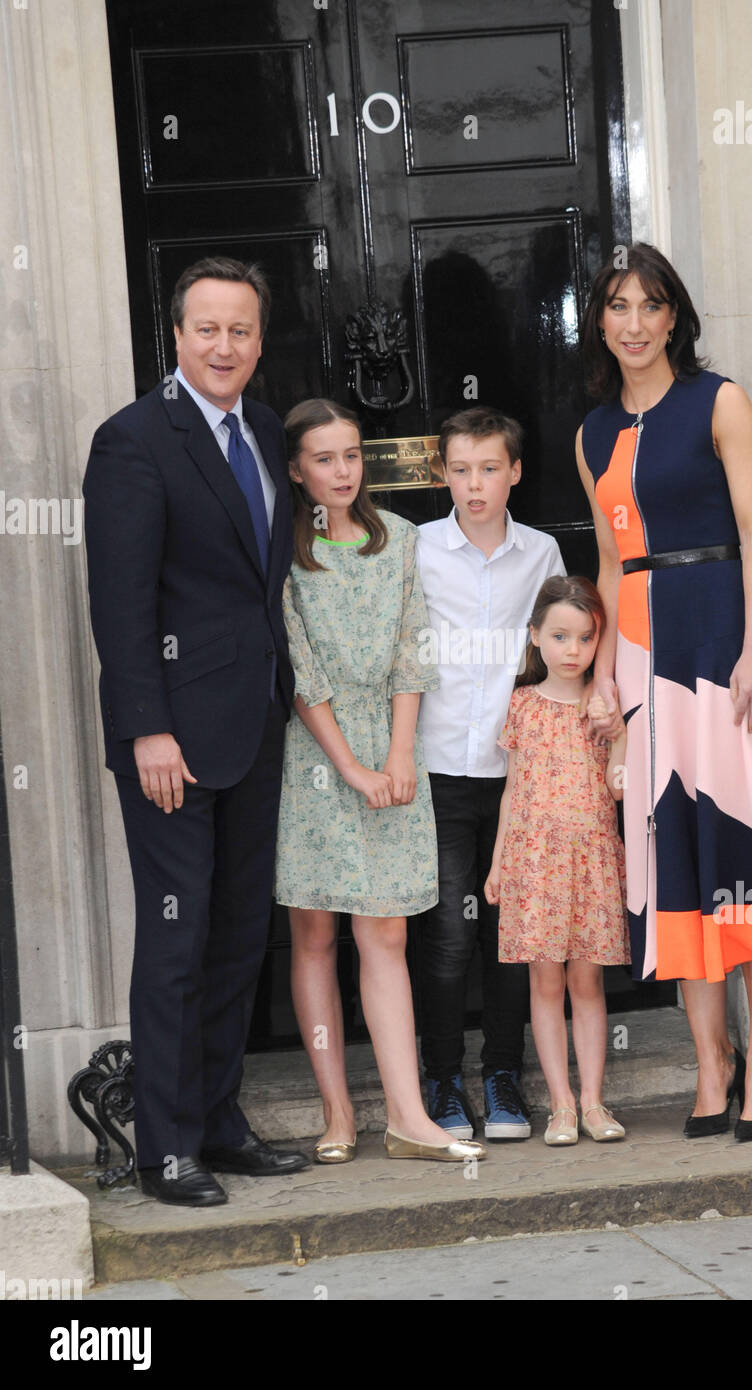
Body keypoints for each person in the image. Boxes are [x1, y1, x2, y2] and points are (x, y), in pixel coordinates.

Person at [577, 243, 752, 1142]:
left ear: (673, 318)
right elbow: (608, 560)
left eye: (648, 307)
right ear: (602, 321)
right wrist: (597, 680)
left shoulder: (718, 401)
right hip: (642, 661)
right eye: (617, 307)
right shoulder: (590, 434)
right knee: (679, 854)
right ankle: (712, 1063)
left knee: (747, 838)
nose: (633, 324)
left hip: (723, 645)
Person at [82, 257, 310, 1206]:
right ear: (175, 336)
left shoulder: (262, 427)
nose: (225, 346)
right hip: (172, 742)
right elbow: (121, 601)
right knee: (176, 942)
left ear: (260, 340)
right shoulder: (133, 440)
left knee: (237, 937)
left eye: (242, 330)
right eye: (207, 328)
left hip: (255, 724)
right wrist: (147, 732)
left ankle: (219, 1123)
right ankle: (165, 1148)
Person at [274, 398, 485, 1164]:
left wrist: (397, 757)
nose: (341, 471)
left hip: (394, 744)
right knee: (316, 930)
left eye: (352, 455)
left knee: (387, 929)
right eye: (324, 458)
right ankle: (337, 1112)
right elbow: (298, 669)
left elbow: (411, 648)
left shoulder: (397, 539)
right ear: (296, 469)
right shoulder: (284, 549)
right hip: (316, 755)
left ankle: (407, 1116)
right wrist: (351, 768)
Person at [415, 406, 567, 1141]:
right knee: (446, 934)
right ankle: (441, 1079)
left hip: (518, 773)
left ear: (513, 471)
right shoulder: (414, 550)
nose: (474, 486)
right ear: (441, 472)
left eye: (488, 469)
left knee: (512, 931)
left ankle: (503, 1075)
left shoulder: (540, 555)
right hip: (438, 766)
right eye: (459, 469)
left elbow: (564, 647)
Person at [484, 577, 629, 1145]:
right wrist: (498, 864)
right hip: (534, 861)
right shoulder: (523, 704)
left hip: (591, 857)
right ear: (535, 637)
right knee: (544, 981)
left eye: (586, 638)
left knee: (586, 982)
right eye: (561, 636)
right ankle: (561, 1107)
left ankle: (594, 1102)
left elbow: (618, 791)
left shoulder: (604, 711)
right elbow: (513, 790)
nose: (574, 650)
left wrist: (617, 734)